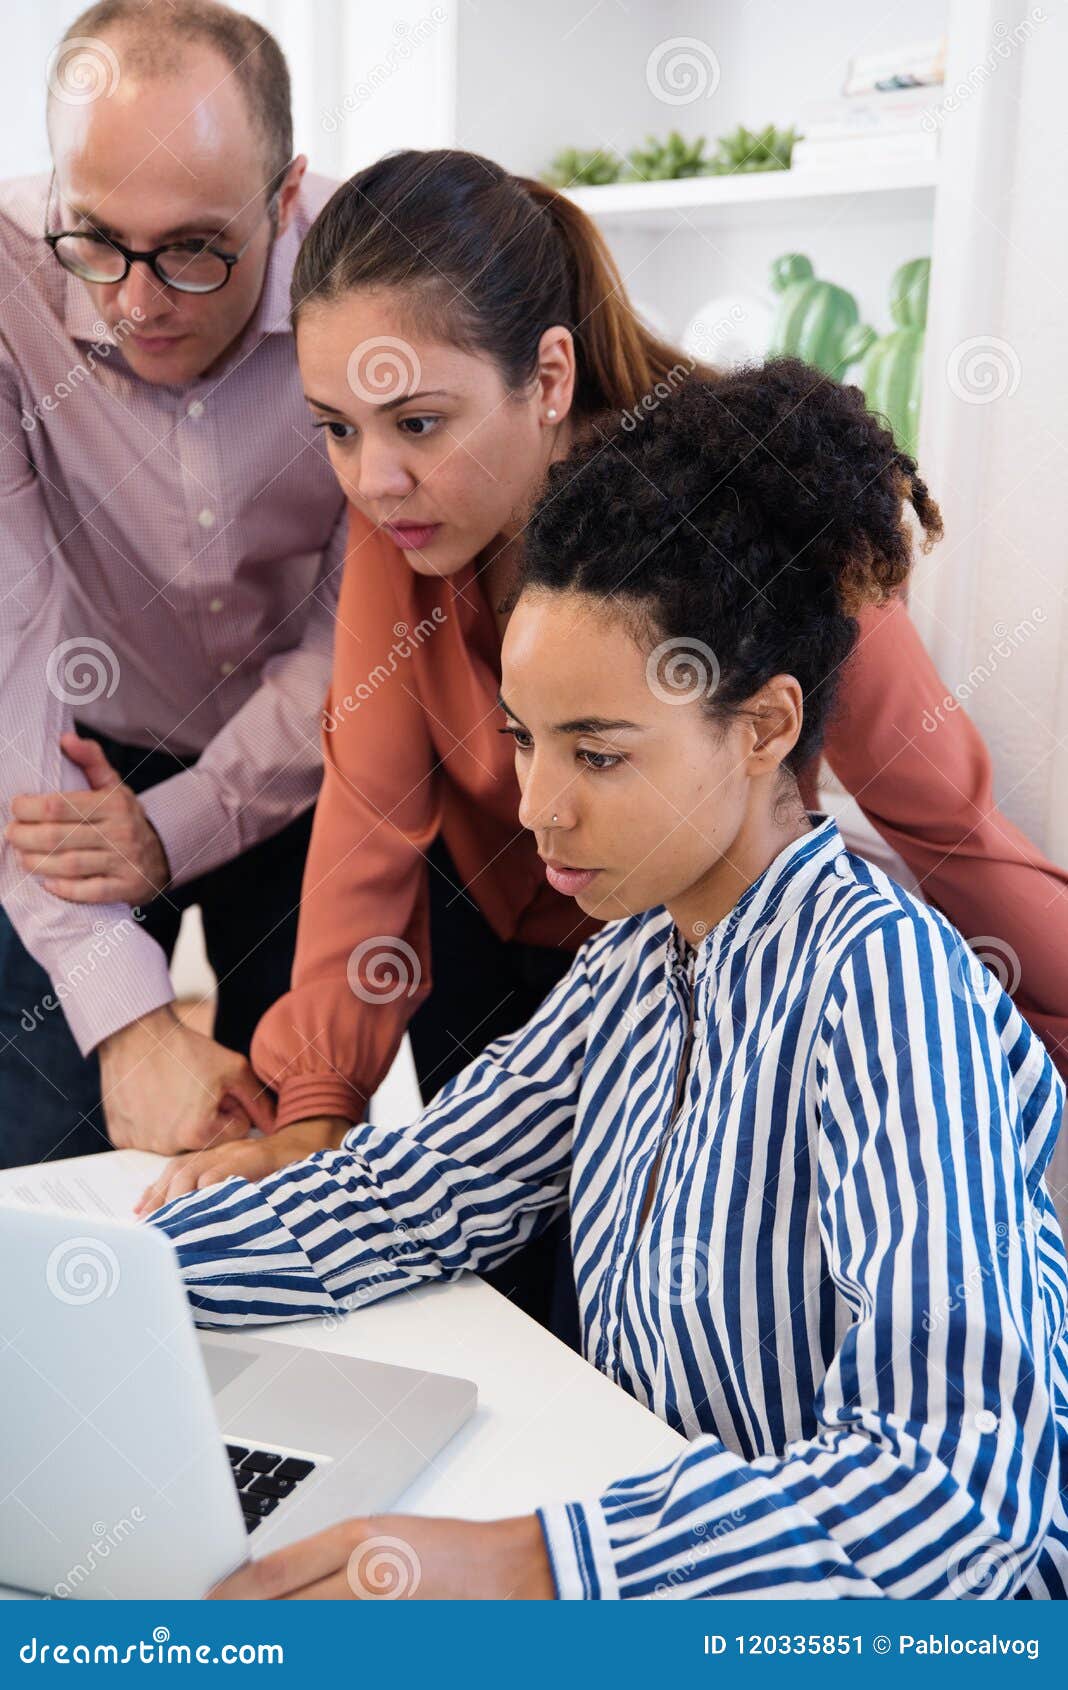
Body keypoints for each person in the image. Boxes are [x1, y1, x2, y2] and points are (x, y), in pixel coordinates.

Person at [150, 362, 1068, 1601]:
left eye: (600, 753)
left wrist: (528, 1563)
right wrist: (106, 1278)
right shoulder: (634, 964)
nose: (538, 807)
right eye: (527, 739)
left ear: (762, 728)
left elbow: (958, 1497)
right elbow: (406, 1200)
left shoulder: (887, 993)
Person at [137, 148, 1068, 1328]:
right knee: (517, 1304)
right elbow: (371, 824)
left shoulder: (744, 519)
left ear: (548, 375)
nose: (373, 479)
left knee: (698, 1304)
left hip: (683, 952)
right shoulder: (404, 521)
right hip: (515, 967)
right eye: (335, 427)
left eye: (418, 420)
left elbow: (954, 829)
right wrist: (314, 1115)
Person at [0, 0, 345, 1168]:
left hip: (312, 765)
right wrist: (129, 1011)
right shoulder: (4, 272)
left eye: (197, 249)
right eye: (93, 237)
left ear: (284, 198)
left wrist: (181, 825)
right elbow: (11, 642)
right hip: (72, 763)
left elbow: (366, 636)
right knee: (44, 1147)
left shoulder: (376, 270)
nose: (135, 301)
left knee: (279, 1149)